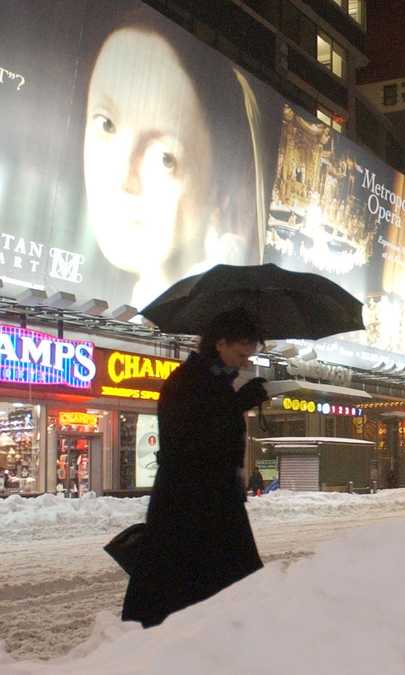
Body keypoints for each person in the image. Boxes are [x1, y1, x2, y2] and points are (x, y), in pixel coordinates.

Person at [81, 16, 270, 310]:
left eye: (164, 158)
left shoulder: (220, 309)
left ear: (218, 191)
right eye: (106, 124)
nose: (124, 177)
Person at [121, 309, 268, 628]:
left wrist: (237, 402)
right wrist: (236, 404)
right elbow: (187, 441)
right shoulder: (187, 381)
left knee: (216, 585)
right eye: (242, 354)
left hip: (213, 500)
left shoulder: (214, 381)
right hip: (189, 503)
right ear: (221, 343)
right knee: (186, 587)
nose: (244, 363)